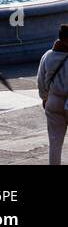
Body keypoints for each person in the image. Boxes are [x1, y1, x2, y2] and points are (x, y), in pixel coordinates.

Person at [36, 24, 68, 166]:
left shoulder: (47, 55)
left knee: (55, 142)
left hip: (53, 101)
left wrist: (45, 98)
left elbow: (41, 81)